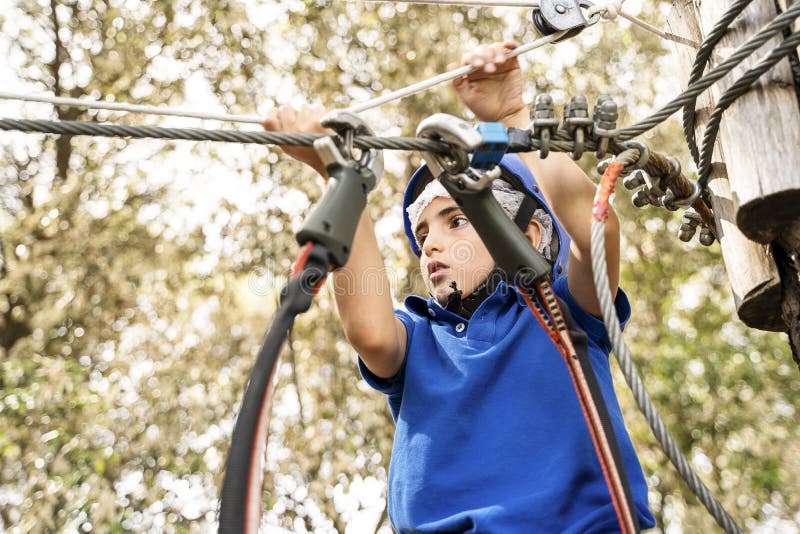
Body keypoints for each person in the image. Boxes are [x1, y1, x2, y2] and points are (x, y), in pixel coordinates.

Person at [263, 40, 655, 533]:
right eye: (422, 235)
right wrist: (342, 178)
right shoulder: (421, 340)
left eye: (457, 221)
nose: (431, 245)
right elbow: (370, 333)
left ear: (531, 235)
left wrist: (512, 117)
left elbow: (596, 231)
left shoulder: (565, 312)